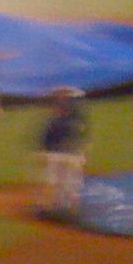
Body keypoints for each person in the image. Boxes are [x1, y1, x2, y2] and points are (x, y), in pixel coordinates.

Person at [37, 86, 89, 218]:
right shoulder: (78, 119)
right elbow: (82, 136)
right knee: (70, 183)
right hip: (71, 155)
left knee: (54, 181)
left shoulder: (54, 120)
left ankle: (48, 207)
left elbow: (46, 138)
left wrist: (42, 152)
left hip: (59, 154)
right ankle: (72, 209)